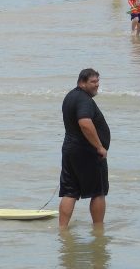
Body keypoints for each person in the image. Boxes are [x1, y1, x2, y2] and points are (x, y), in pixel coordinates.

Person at [58, 68, 110, 229]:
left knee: (70, 191)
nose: (97, 85)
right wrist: (99, 147)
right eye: (93, 82)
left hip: (71, 150)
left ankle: (63, 228)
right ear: (82, 82)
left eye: (98, 81)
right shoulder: (84, 100)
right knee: (98, 192)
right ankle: (98, 229)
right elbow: (85, 123)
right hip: (87, 153)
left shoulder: (71, 96)